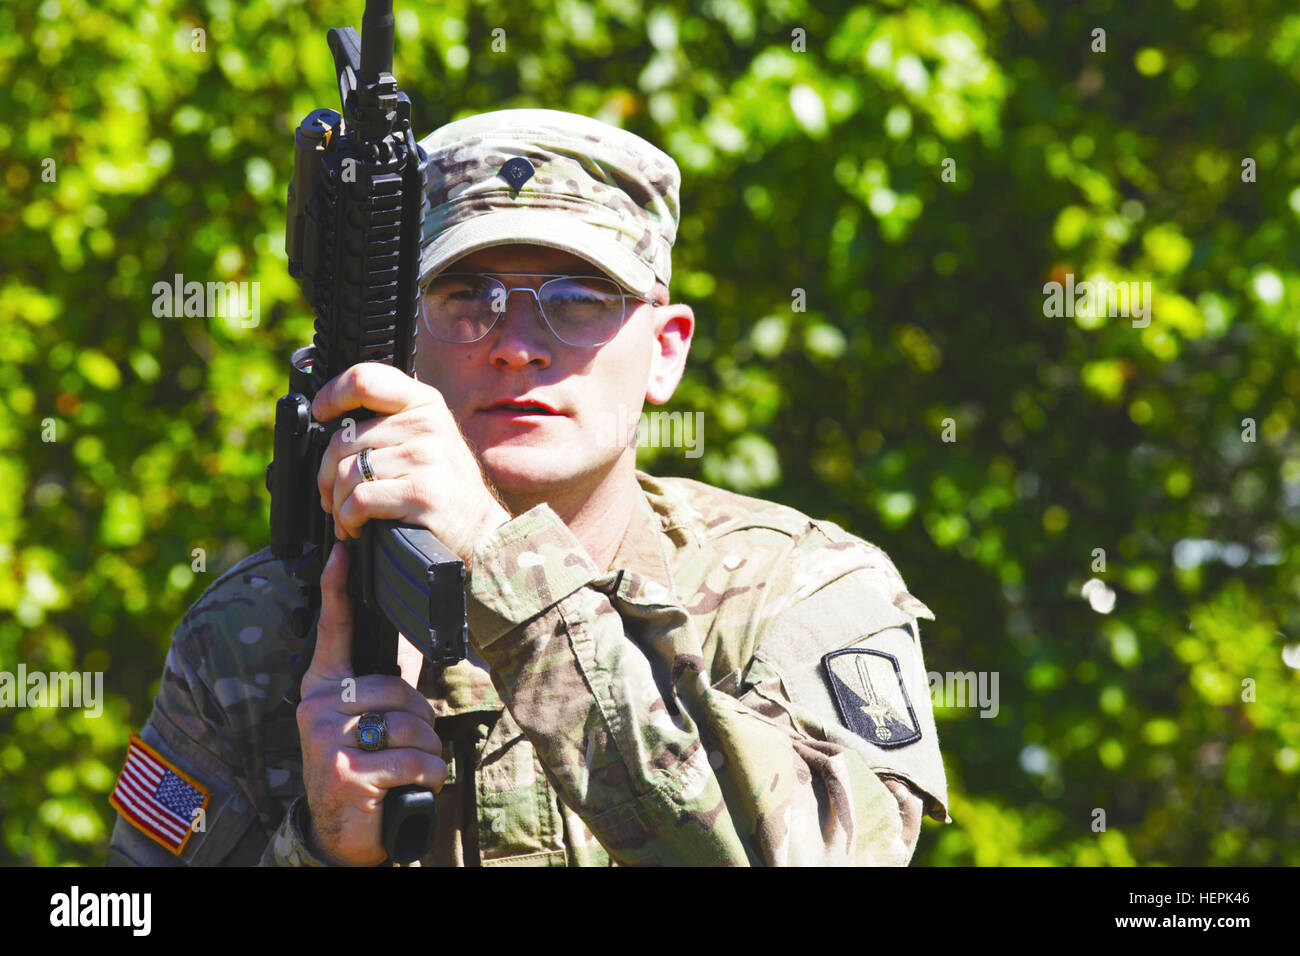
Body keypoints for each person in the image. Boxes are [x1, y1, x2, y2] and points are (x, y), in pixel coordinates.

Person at [107, 108, 950, 867]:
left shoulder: (790, 594)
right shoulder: (258, 633)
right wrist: (319, 850)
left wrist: (497, 555)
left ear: (666, 350)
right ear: (405, 342)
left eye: (578, 299)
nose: (516, 345)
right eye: (466, 296)